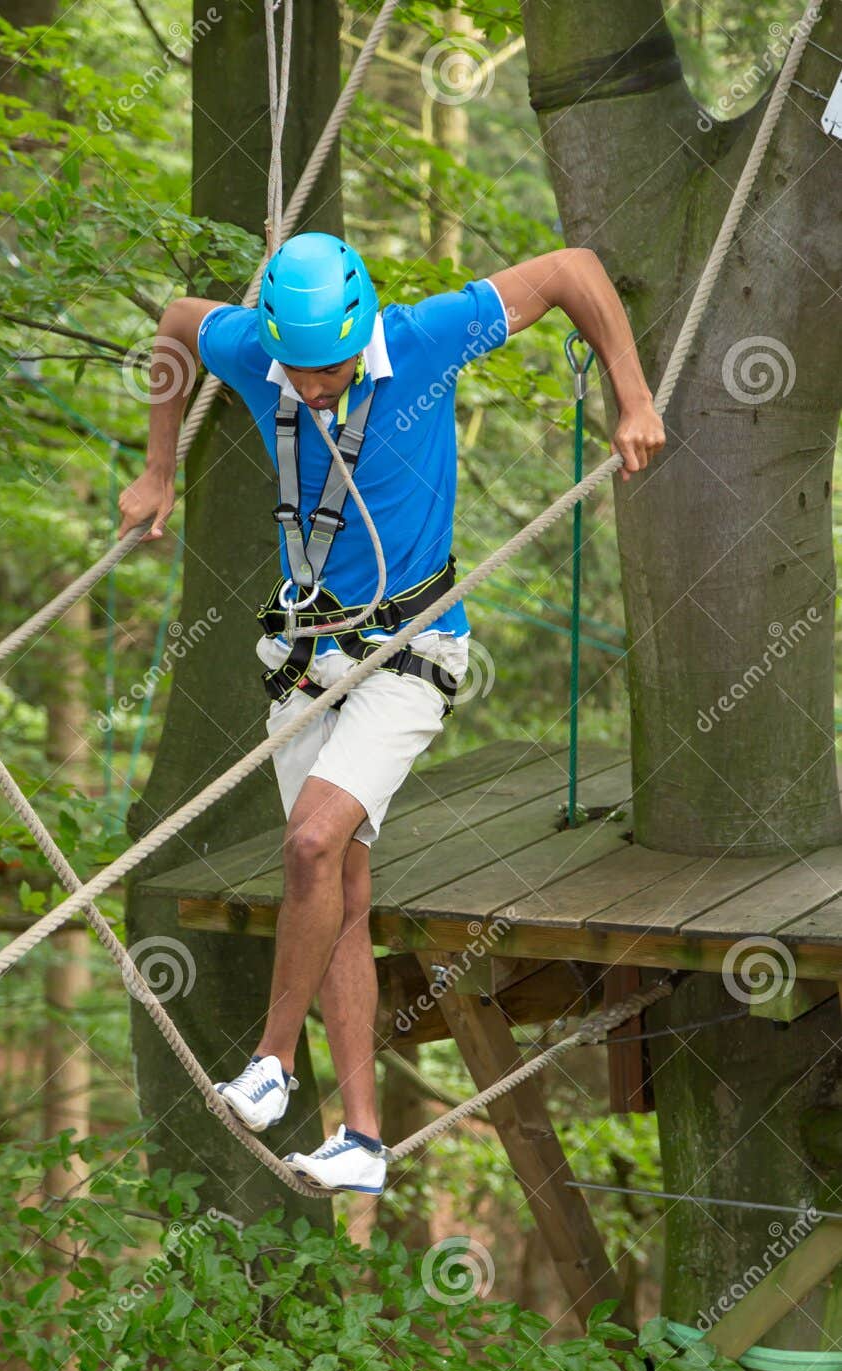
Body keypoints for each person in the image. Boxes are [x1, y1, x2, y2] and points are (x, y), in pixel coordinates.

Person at [118, 232, 664, 1195]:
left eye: (328, 371)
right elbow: (175, 323)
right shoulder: (256, 352)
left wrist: (633, 396)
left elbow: (571, 269)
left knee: (307, 845)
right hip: (303, 663)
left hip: (409, 654)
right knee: (337, 889)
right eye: (297, 371)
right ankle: (362, 1141)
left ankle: (271, 1063)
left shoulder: (422, 339)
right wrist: (158, 469)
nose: (312, 388)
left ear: (360, 334)